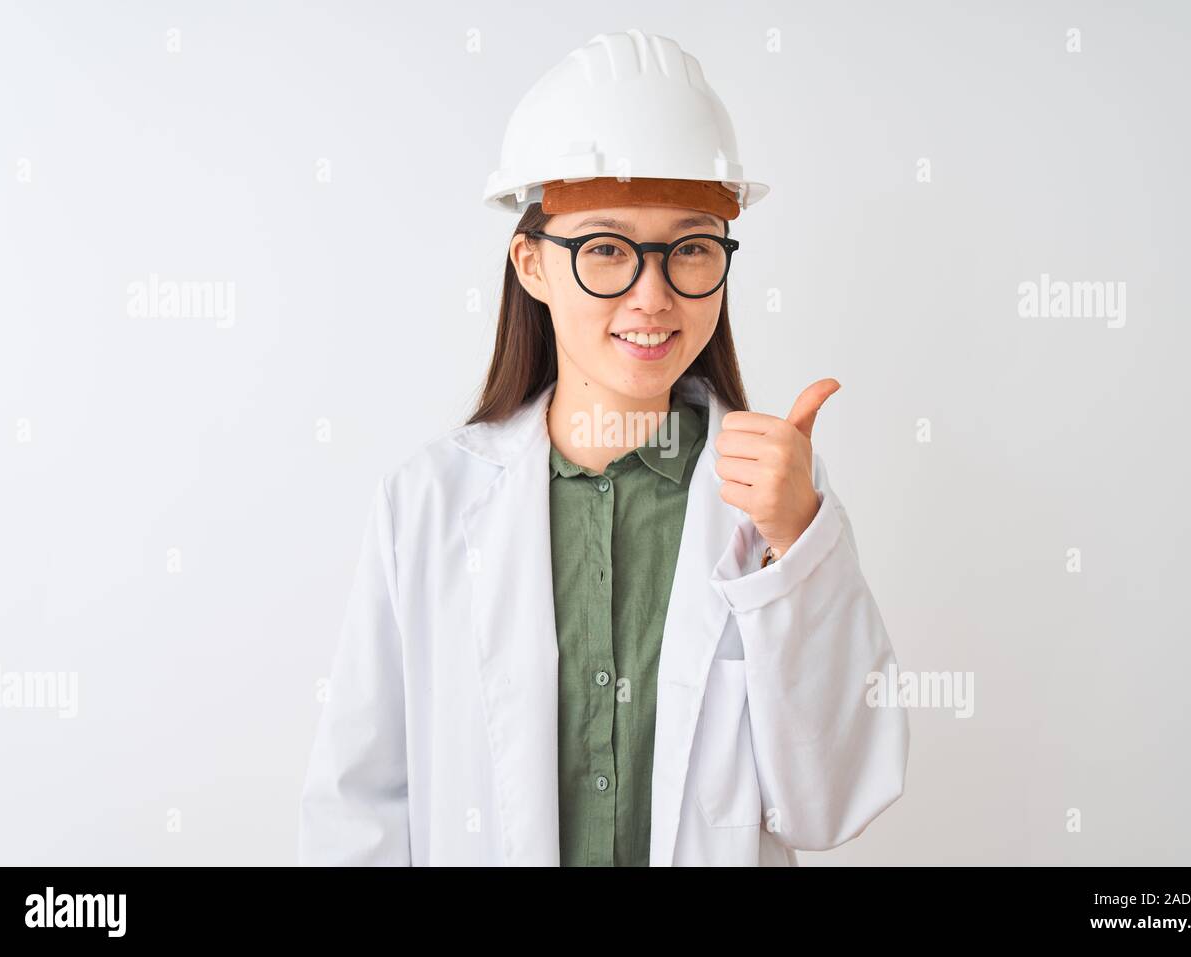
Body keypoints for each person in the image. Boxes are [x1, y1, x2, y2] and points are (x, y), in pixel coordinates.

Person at [299, 28, 909, 867]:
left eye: (692, 248)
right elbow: (358, 807)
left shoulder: (770, 498)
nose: (653, 296)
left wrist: (800, 546)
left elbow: (829, 803)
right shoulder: (430, 501)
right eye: (607, 250)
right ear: (533, 265)